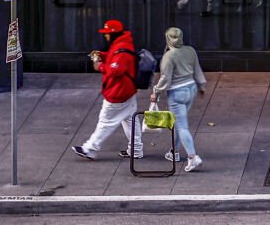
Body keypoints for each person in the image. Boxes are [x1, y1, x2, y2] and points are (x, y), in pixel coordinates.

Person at [72, 18, 142, 160]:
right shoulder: (122, 44)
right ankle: (136, 150)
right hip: (127, 91)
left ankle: (90, 149)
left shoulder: (121, 47)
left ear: (114, 34)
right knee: (130, 121)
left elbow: (116, 70)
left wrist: (100, 66)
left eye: (107, 33)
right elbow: (115, 58)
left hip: (118, 93)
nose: (105, 36)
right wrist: (102, 55)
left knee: (106, 122)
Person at [148, 26, 207, 173]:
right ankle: (173, 151)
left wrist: (156, 91)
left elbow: (165, 78)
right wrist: (201, 86)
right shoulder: (190, 50)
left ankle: (192, 157)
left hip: (176, 92)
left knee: (182, 126)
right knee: (181, 123)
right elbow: (197, 69)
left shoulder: (169, 56)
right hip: (191, 88)